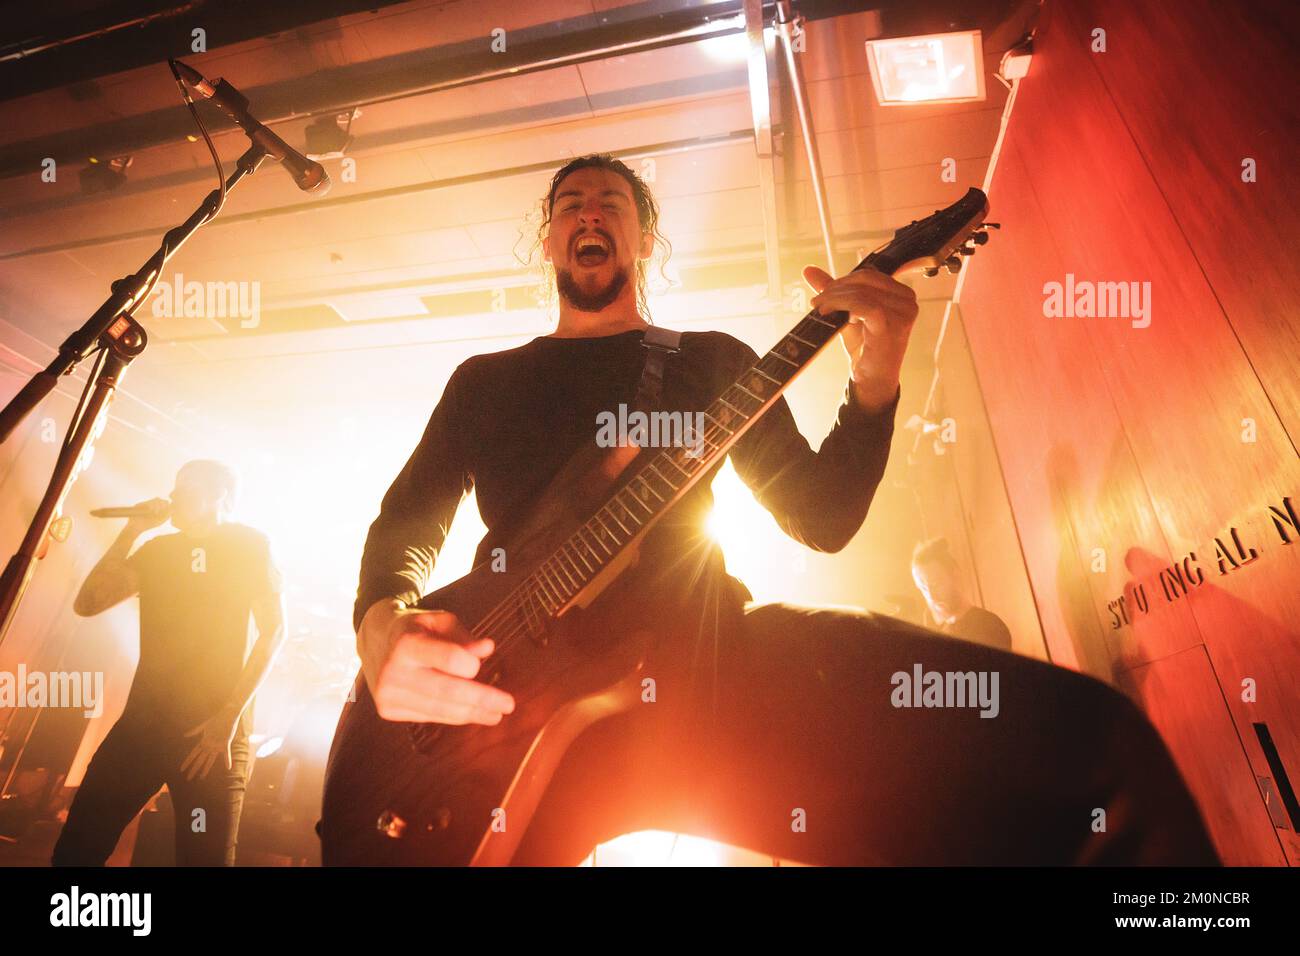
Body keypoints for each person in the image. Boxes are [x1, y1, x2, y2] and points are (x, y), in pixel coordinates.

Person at [324, 154, 1219, 866]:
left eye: (611, 202)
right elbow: (406, 523)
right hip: (498, 708)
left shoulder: (708, 359)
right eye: (569, 204)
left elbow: (820, 518)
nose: (589, 213)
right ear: (550, 241)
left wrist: (874, 384)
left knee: (1090, 758)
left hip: (703, 661)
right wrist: (380, 629)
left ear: (642, 238)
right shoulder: (485, 382)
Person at [52, 459, 285, 866]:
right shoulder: (157, 551)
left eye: (188, 489)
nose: (175, 496)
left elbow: (274, 632)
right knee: (77, 849)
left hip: (211, 738)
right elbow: (87, 603)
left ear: (219, 497)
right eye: (175, 487)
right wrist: (133, 529)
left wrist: (227, 718)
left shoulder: (248, 545)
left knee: (204, 858)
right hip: (143, 727)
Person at [911, 537, 1014, 652]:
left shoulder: (989, 626)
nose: (931, 596)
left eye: (935, 584)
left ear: (954, 574)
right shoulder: (933, 632)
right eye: (923, 588)